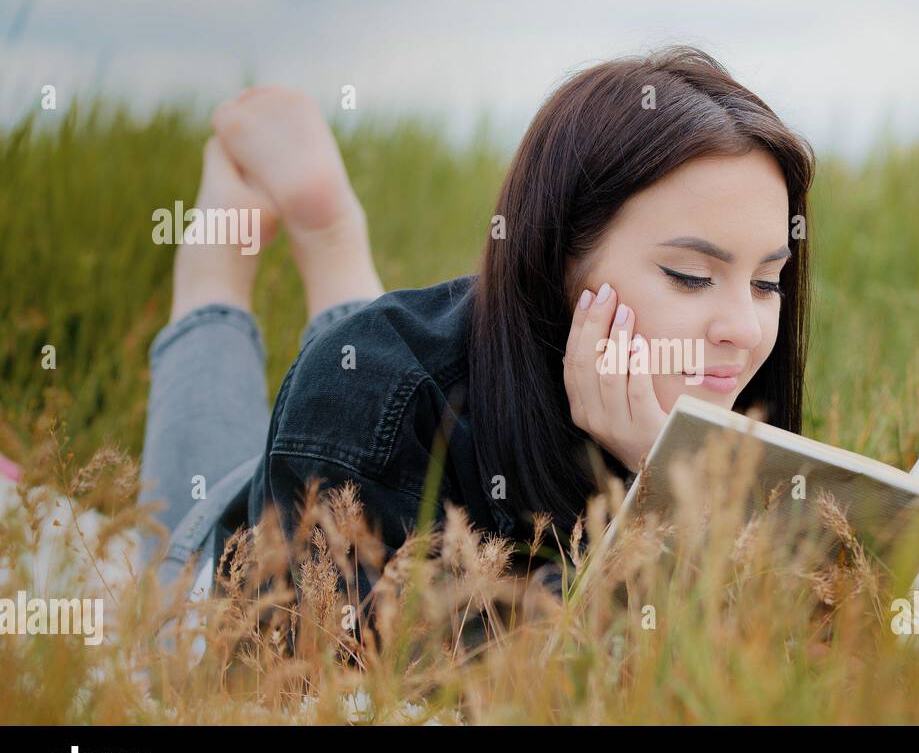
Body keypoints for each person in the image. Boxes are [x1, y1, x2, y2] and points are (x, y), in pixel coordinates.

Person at [136, 45, 817, 640]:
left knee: (366, 362)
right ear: (557, 262)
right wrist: (666, 491)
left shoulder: (720, 382)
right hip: (224, 574)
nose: (746, 328)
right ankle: (224, 256)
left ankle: (332, 240)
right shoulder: (365, 400)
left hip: (384, 401)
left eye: (766, 282)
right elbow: (360, 688)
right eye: (691, 276)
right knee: (318, 369)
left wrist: (662, 474)